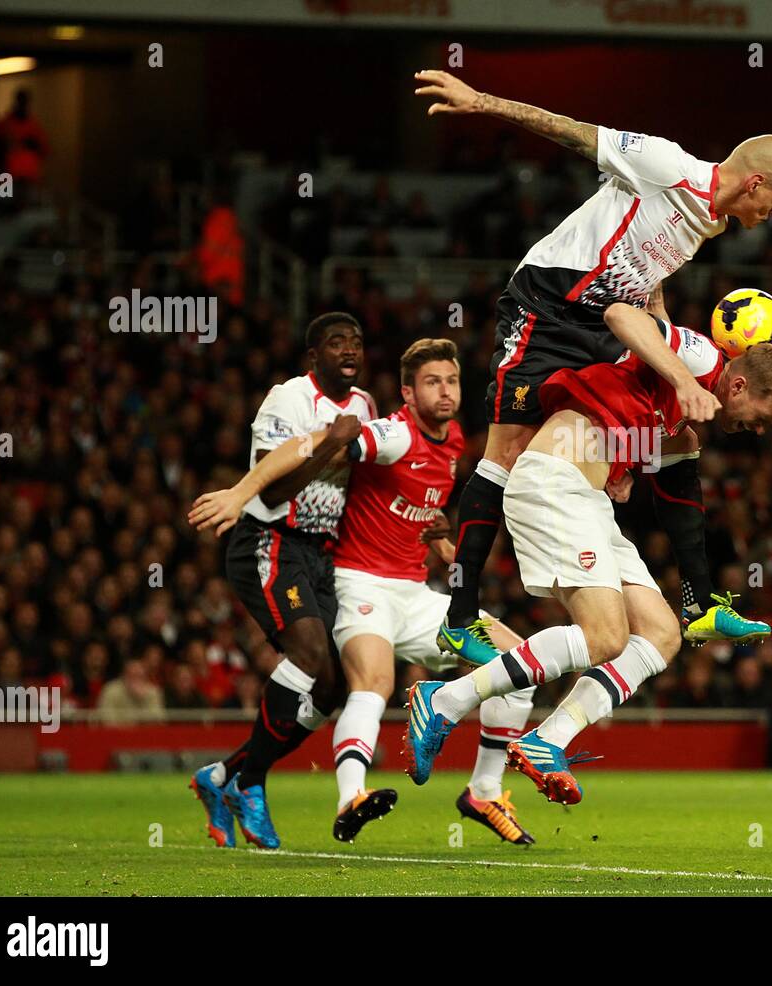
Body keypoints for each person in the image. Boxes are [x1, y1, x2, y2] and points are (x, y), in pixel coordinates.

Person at [412, 70, 772, 663]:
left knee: (676, 438)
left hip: (604, 323)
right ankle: (459, 618)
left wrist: (659, 334)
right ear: (755, 182)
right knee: (506, 453)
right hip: (548, 304)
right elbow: (572, 131)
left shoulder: (712, 221)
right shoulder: (667, 166)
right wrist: (480, 101)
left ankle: (698, 603)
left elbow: (648, 272)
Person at [402, 299, 772, 805]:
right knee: (606, 637)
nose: (760, 430)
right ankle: (444, 700)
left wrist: (628, 465)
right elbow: (620, 316)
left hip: (587, 497)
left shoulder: (681, 413)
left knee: (661, 635)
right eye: (763, 418)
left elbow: (675, 481)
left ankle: (547, 740)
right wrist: (682, 380)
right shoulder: (701, 360)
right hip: (554, 482)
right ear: (740, 385)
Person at [191, 339, 538, 845]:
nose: (444, 391)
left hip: (415, 595)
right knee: (372, 683)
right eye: (432, 382)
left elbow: (412, 513)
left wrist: (442, 542)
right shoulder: (393, 433)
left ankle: (483, 791)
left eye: (451, 381)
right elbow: (314, 443)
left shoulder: (455, 441)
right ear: (408, 392)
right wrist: (241, 492)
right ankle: (350, 797)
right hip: (360, 586)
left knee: (523, 663)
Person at [187, 313, 374, 849]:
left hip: (321, 554)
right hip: (270, 542)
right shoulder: (288, 399)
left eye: (356, 342)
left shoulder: (365, 405)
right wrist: (330, 443)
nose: (349, 350)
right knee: (309, 653)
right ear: (313, 356)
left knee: (334, 688)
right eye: (336, 342)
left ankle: (222, 775)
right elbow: (270, 492)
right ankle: (251, 783)